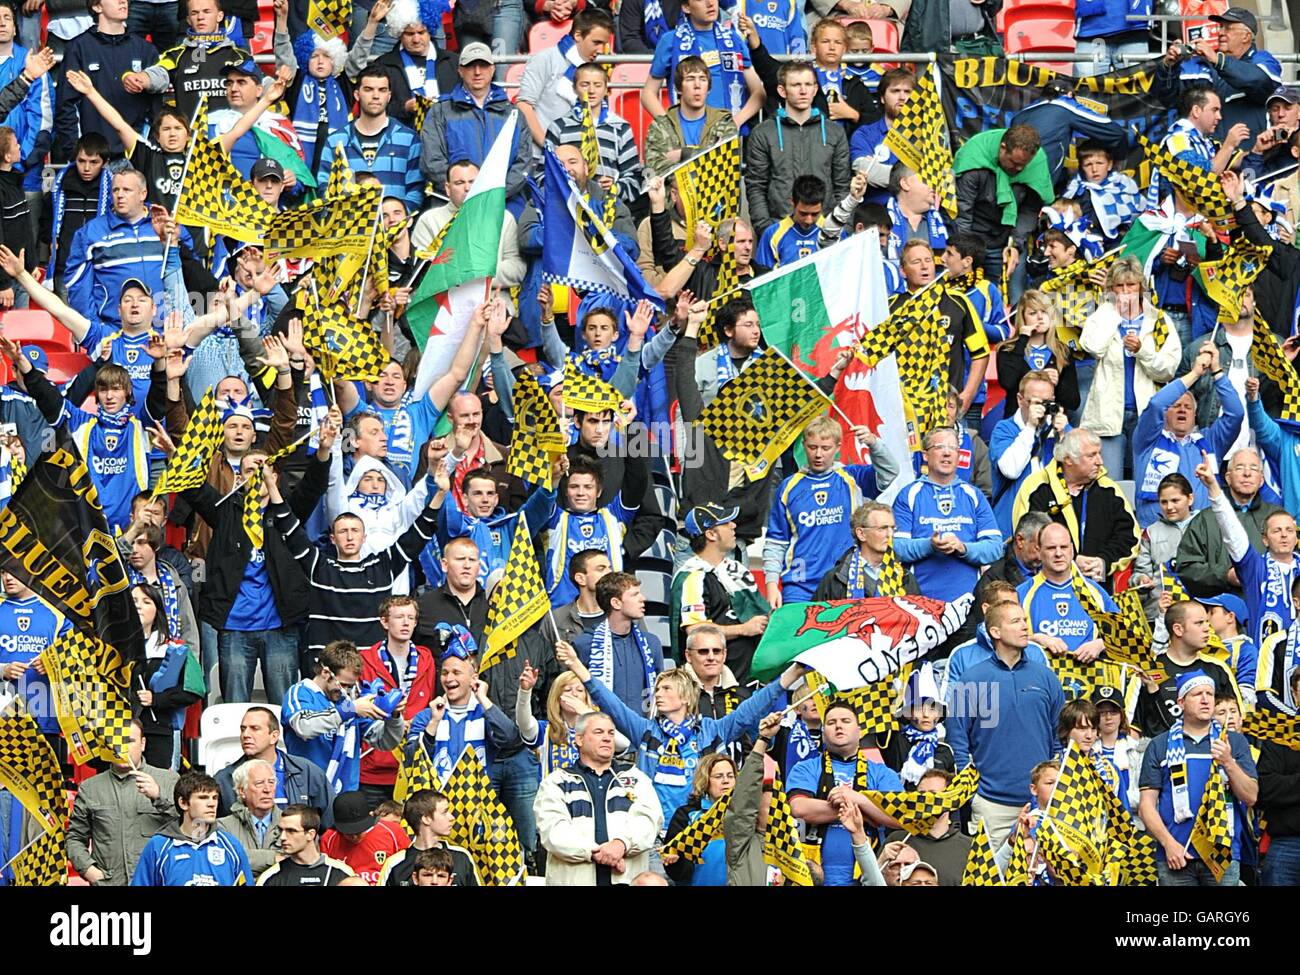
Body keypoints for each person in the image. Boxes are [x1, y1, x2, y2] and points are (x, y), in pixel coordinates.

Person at [557, 640, 806, 824]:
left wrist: (791, 675)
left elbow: (753, 707)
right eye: (657, 689)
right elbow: (610, 702)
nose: (658, 694)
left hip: (704, 829)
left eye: (666, 689)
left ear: (685, 696)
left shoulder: (712, 731)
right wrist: (576, 665)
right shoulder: (645, 731)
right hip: (655, 831)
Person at [947, 600, 1064, 848]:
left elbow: (1059, 735)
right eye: (1015, 621)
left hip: (1042, 804)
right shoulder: (970, 679)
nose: (1024, 627)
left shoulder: (1046, 676)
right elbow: (956, 740)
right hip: (990, 804)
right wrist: (975, 794)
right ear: (995, 632)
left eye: (1024, 620)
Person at [1138, 670, 1258, 886]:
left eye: (1209, 694)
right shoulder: (1159, 744)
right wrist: (1168, 844)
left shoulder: (1234, 742)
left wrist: (1228, 762)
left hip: (1222, 854)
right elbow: (1146, 806)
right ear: (1181, 702)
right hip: (1176, 855)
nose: (1205, 700)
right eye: (1197, 694)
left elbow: (1251, 797)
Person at [766, 416, 898, 606]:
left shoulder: (852, 478)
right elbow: (775, 542)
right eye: (812, 447)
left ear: (838, 447)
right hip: (799, 587)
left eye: (825, 448)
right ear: (804, 445)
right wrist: (771, 584)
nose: (818, 454)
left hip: (845, 581)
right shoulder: (789, 487)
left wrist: (874, 444)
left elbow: (890, 472)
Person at [534, 711, 664, 886]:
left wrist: (621, 844)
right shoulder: (556, 781)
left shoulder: (636, 778)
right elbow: (553, 831)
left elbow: (649, 820)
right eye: (598, 732)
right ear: (579, 740)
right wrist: (596, 852)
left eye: (611, 733)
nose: (607, 738)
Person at [787, 699, 903, 887]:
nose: (838, 726)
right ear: (824, 733)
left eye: (845, 721)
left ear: (860, 730)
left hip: (869, 877)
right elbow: (800, 808)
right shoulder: (805, 768)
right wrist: (868, 811)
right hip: (812, 877)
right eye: (831, 723)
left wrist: (856, 798)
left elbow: (898, 816)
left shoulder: (883, 773)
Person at [1198, 455, 1298, 661]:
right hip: (1265, 660)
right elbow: (1232, 533)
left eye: (1289, 530)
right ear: (1265, 539)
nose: (1284, 535)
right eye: (1277, 530)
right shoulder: (1254, 567)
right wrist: (1214, 489)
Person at [1131, 345, 1243, 529]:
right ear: (1166, 414)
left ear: (1195, 415)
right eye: (1176, 406)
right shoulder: (1148, 439)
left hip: (1202, 532)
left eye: (1188, 407)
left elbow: (1236, 414)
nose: (1182, 409)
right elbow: (1157, 403)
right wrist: (1195, 374)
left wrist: (1217, 371)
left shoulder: (1209, 441)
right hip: (1156, 531)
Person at [893, 426, 1003, 610]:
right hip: (920, 605)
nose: (947, 453)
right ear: (926, 455)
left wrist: (962, 548)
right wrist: (930, 545)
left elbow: (995, 547)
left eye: (953, 448)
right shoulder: (909, 494)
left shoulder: (973, 495)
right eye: (939, 447)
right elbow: (896, 548)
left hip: (968, 605)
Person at [1012, 427, 1140, 584]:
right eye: (1091, 455)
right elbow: (1027, 540)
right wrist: (1069, 560)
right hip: (1047, 586)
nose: (1100, 461)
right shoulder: (1036, 487)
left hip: (1097, 588)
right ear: (1068, 459)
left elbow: (1129, 537)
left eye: (1099, 453)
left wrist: (1103, 562)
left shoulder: (1110, 490)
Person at [281, 640, 408, 796]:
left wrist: (393, 717)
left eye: (350, 686)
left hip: (345, 794)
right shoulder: (300, 693)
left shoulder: (346, 702)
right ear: (325, 672)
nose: (344, 691)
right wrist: (350, 709)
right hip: (307, 791)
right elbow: (304, 726)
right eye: (342, 684)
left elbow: (384, 741)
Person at [66, 721, 179, 886]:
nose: (122, 747)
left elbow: (186, 829)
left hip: (157, 881)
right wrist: (91, 872)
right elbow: (75, 838)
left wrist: (158, 797)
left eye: (130, 741)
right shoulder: (90, 788)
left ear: (143, 744)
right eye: (116, 741)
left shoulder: (168, 780)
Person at [744, 61, 848, 239]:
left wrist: (837, 227)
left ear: (815, 89)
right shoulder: (763, 133)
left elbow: (842, 185)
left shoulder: (834, 132)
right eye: (796, 85)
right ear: (782, 91)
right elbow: (756, 186)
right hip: (779, 229)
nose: (803, 91)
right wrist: (766, 230)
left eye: (808, 85)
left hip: (824, 229)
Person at [420, 43, 530, 205]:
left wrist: (495, 194)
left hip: (503, 203)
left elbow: (523, 162)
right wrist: (462, 192)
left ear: (493, 70)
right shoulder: (440, 111)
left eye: (483, 66)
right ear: (460, 71)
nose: (477, 72)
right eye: (471, 66)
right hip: (453, 204)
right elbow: (432, 161)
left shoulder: (513, 114)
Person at [671, 504, 769, 678]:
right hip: (718, 684)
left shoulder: (736, 569)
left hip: (750, 675)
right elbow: (695, 630)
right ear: (710, 534)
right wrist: (744, 629)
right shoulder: (693, 575)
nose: (734, 526)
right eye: (726, 523)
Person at [1177, 443, 1285, 601]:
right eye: (1240, 467)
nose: (1247, 473)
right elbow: (1186, 567)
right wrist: (1225, 575)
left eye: (1254, 468)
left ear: (1261, 480)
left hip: (1267, 609)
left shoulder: (1277, 517)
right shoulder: (1205, 519)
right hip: (1217, 613)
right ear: (1228, 477)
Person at [52, 0, 157, 160]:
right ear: (97, 6)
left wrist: (147, 152)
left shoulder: (145, 49)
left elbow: (156, 107)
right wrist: (76, 154)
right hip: (92, 159)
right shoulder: (78, 48)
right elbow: (66, 106)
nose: (123, 2)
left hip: (135, 157)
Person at [359, 595, 438, 806]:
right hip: (374, 768)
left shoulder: (426, 660)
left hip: (414, 765)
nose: (405, 622)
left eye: (411, 617)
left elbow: (432, 703)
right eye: (399, 617)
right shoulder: (366, 661)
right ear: (385, 622)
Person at [952, 124, 1055, 286]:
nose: (1019, 169)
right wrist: (965, 253)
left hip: (1005, 241)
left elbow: (1029, 211)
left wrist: (1015, 245)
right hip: (972, 236)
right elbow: (962, 213)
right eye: (1014, 163)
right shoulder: (973, 159)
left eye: (1024, 164)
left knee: (1012, 298)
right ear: (1003, 148)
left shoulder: (1036, 164)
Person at [641, 0, 763, 131]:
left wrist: (736, 122)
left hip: (729, 135)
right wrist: (671, 128)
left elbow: (758, 92)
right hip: (688, 135)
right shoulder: (670, 40)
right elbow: (648, 94)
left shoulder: (734, 39)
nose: (710, 3)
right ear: (686, 7)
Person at [1169, 7, 1282, 144]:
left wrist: (1218, 61)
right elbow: (1166, 97)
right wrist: (1170, 66)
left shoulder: (1263, 60)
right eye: (1220, 27)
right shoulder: (1204, 61)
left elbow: (1259, 81)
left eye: (1228, 28)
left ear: (1246, 36)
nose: (1221, 32)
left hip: (1248, 158)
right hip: (1209, 156)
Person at [316, 65, 421, 208]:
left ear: (389, 96)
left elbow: (416, 189)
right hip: (351, 226)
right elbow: (325, 187)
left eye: (382, 90)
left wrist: (397, 218)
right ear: (357, 95)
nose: (376, 96)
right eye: (368, 89)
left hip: (394, 227)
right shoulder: (336, 141)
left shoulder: (408, 139)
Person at [213, 706, 334, 827]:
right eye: (243, 729)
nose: (246, 734)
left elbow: (330, 823)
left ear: (274, 736)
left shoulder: (306, 772)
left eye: (255, 729)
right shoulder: (224, 779)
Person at [1135, 600, 1241, 737]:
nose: (1207, 628)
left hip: (1210, 754)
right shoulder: (1148, 669)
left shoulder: (1218, 668)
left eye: (1207, 622)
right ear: (1178, 629)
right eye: (1199, 623)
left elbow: (1236, 720)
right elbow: (1133, 726)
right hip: (1161, 755)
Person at [517, 10, 614, 155]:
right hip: (543, 158)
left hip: (581, 160)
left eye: (604, 44)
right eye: (596, 42)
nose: (601, 50)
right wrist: (548, 146)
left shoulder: (594, 69)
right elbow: (524, 106)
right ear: (577, 35)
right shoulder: (544, 59)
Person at [131, 773, 254, 886]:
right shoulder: (158, 846)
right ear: (183, 803)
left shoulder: (230, 845)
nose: (212, 804)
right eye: (203, 797)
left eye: (214, 797)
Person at [571, 572, 665, 716]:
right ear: (615, 603)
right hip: (601, 730)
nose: (643, 599)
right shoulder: (584, 644)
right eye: (635, 595)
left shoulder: (651, 643)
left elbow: (661, 690)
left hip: (645, 730)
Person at [990, 370, 1071, 535]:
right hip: (1012, 526)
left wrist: (1064, 435)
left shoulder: (1059, 429)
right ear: (1020, 400)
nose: (1042, 408)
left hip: (1052, 526)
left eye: (1047, 402)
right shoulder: (1004, 429)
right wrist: (1030, 428)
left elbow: (1078, 472)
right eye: (1036, 402)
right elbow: (1010, 470)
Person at [130, 583, 202, 770]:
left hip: (158, 731)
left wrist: (158, 699)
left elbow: (194, 691)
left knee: (158, 785)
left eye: (146, 601)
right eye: (134, 601)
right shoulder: (111, 649)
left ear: (157, 611)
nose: (138, 606)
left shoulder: (175, 649)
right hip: (120, 730)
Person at [643, 55, 739, 179]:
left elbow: (728, 167)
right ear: (678, 88)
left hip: (713, 197)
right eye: (690, 79)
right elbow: (654, 170)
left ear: (708, 88)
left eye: (703, 79)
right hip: (673, 196)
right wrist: (708, 158)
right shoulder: (660, 127)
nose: (697, 85)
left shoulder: (724, 123)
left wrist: (684, 154)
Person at [815, 500, 920, 601]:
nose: (890, 534)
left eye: (893, 528)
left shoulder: (904, 577)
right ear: (861, 534)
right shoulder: (835, 578)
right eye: (882, 529)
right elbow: (818, 616)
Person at [377, 789, 481, 886]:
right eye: (444, 812)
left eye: (441, 876)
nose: (452, 818)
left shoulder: (462, 857)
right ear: (426, 819)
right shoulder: (395, 864)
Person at [662, 752, 736, 886]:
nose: (726, 780)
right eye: (719, 776)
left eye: (730, 776)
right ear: (706, 781)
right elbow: (676, 871)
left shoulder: (747, 815)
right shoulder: (686, 815)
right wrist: (676, 860)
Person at [1257, 671, 1300, 885]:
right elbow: (1265, 788)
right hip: (1287, 844)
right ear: (1294, 694)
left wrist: (1290, 782)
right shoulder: (1278, 737)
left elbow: (1278, 785)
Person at [319, 789, 412, 885]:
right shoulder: (329, 839)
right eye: (348, 833)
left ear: (370, 816)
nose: (354, 837)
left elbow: (410, 865)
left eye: (359, 831)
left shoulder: (393, 831)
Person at [215, 759, 282, 880]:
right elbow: (226, 860)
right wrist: (274, 858)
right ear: (242, 791)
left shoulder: (290, 824)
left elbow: (298, 859)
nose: (267, 789)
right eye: (259, 783)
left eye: (271, 782)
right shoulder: (223, 826)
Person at [256, 804, 355, 886]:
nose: (282, 837)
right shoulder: (270, 877)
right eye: (281, 830)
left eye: (291, 831)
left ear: (310, 834)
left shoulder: (342, 873)